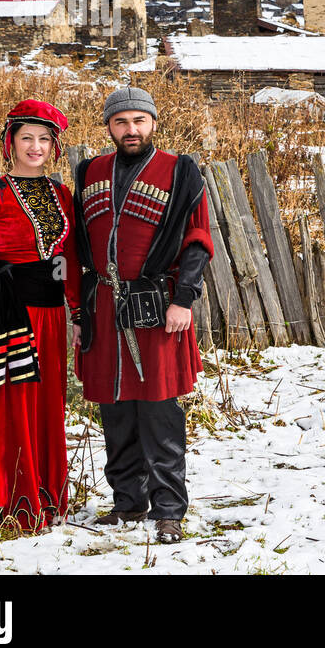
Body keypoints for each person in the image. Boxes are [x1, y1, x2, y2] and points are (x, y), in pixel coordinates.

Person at [72, 87, 213, 544]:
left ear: (153, 123)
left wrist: (184, 299)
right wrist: (79, 311)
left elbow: (197, 240)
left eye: (139, 121)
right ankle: (128, 503)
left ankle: (169, 508)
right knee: (114, 410)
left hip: (158, 304)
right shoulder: (89, 171)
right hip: (104, 309)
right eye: (121, 122)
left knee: (158, 409)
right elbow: (77, 249)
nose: (130, 130)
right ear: (109, 126)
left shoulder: (180, 171)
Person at [0, 100, 80, 533]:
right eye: (26, 137)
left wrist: (77, 309)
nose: (35, 146)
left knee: (45, 403)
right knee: (10, 401)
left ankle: (44, 496)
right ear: (10, 142)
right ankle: (5, 498)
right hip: (8, 313)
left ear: (54, 146)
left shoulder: (60, 194)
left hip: (50, 316)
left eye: (44, 139)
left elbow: (66, 258)